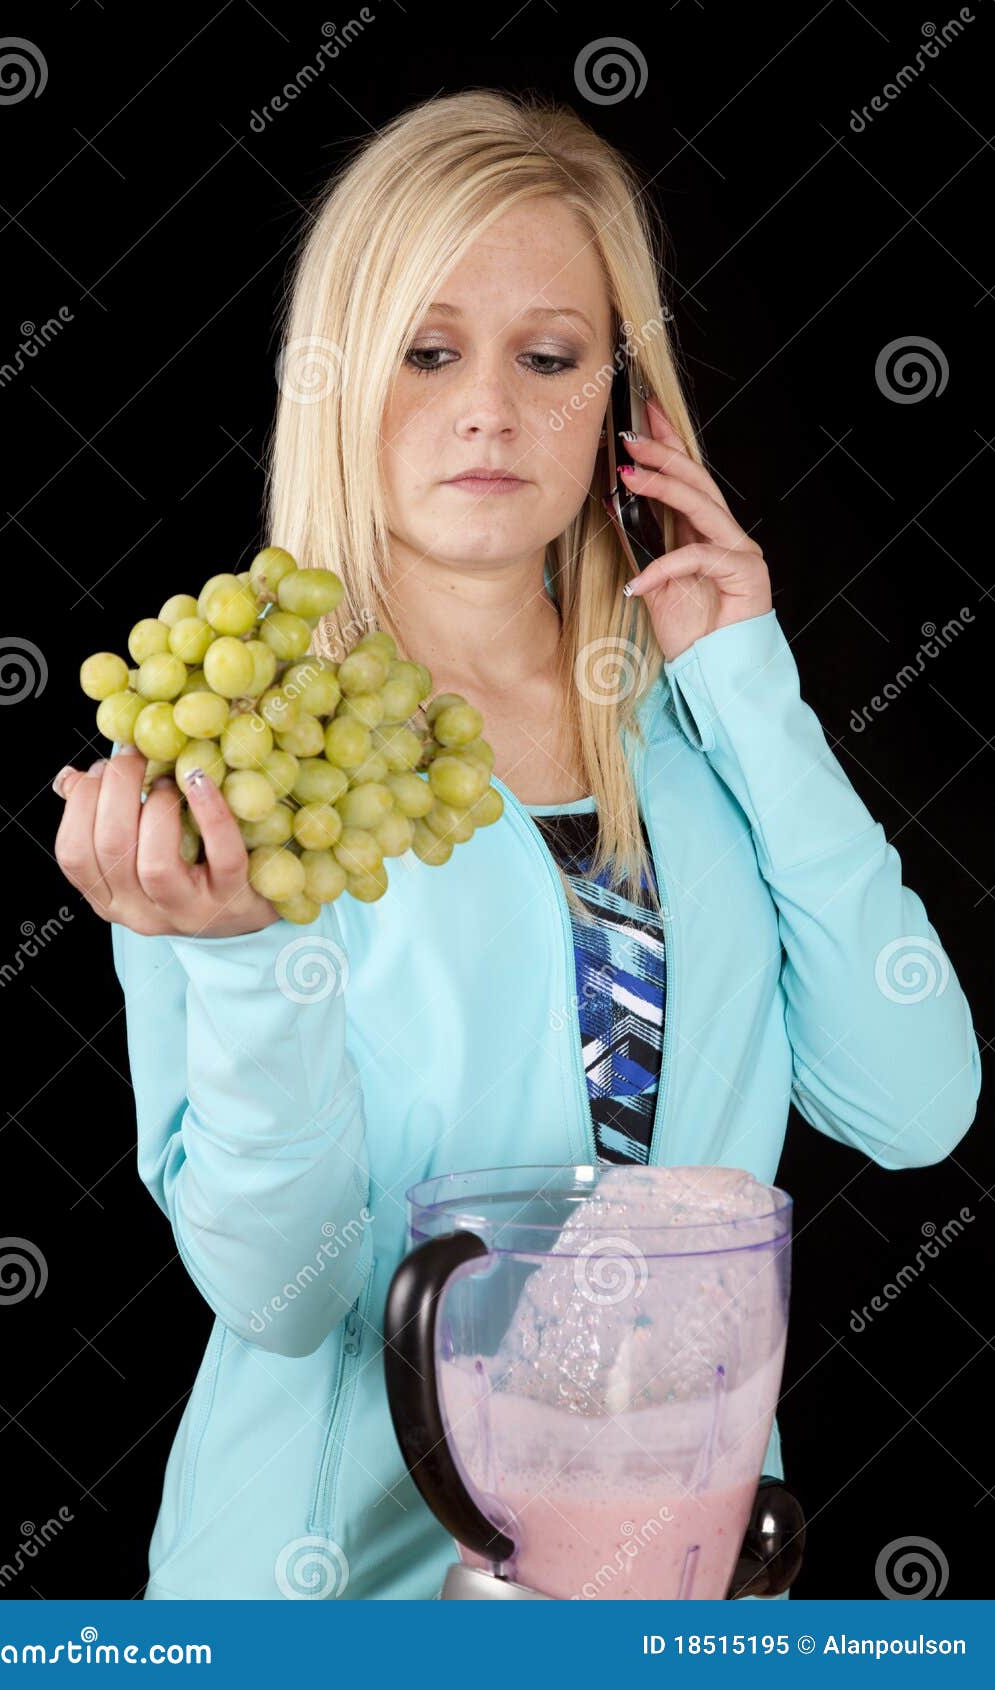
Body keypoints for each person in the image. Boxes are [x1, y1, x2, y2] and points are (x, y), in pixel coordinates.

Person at [52, 90, 981, 1600]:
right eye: (427, 351)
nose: (488, 405)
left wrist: (750, 681)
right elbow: (281, 1295)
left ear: (615, 394)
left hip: (664, 1584)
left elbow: (918, 1102)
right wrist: (228, 966)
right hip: (337, 1595)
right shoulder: (251, 772)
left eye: (547, 357)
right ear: (337, 382)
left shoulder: (693, 741)